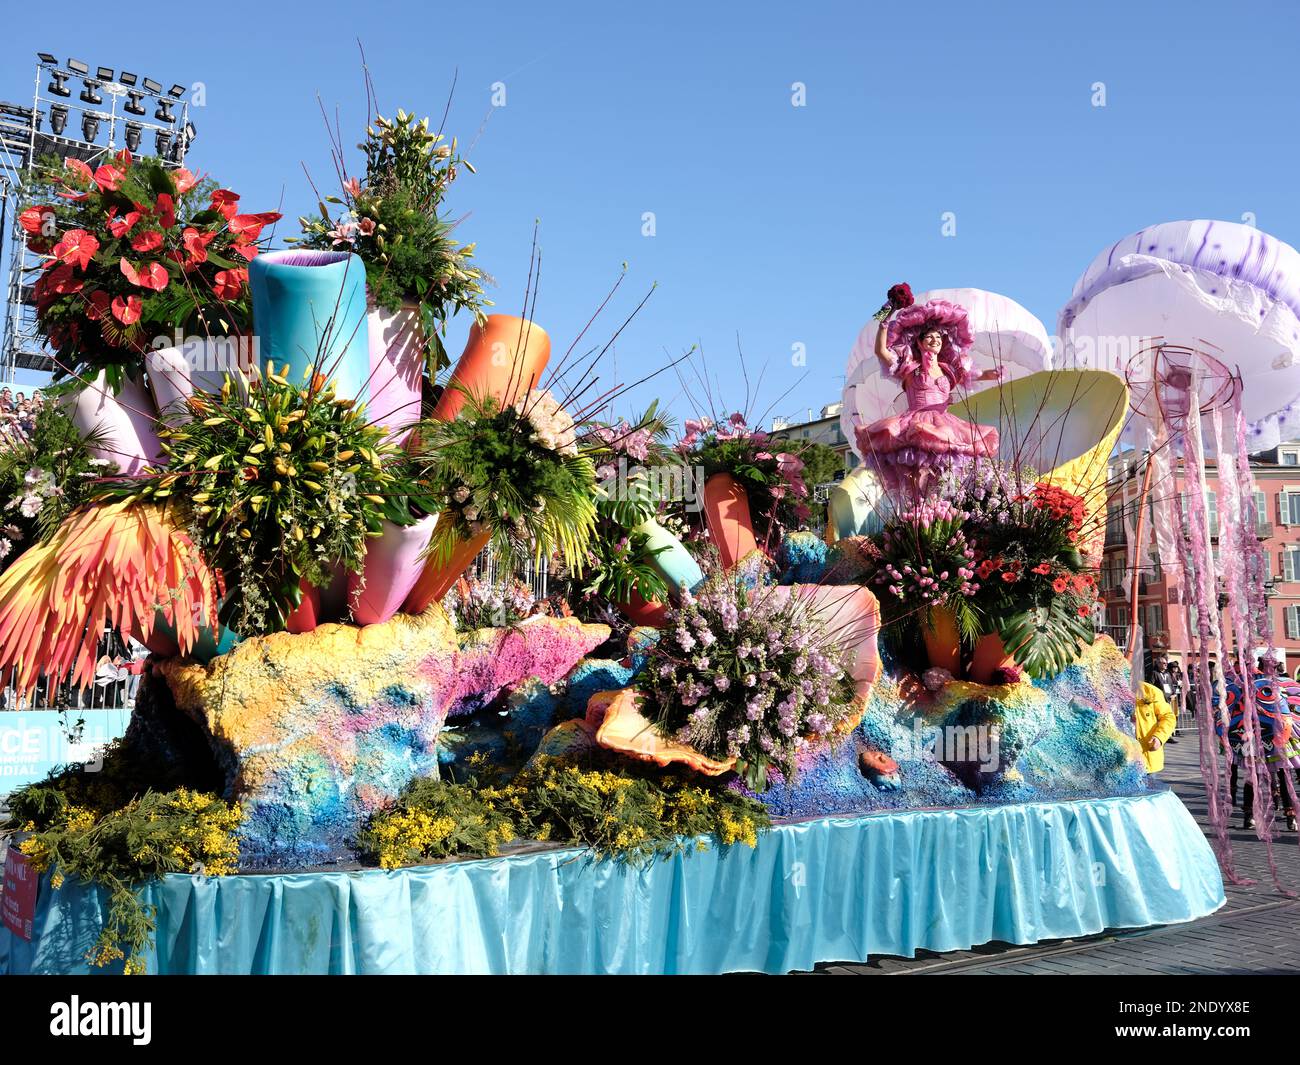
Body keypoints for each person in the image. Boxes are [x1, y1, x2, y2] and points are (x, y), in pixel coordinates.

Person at [860, 295, 1002, 505]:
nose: (935, 340)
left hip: (944, 425)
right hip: (916, 425)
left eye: (939, 337)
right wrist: (887, 312)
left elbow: (974, 375)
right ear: (919, 341)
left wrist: (994, 373)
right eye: (929, 337)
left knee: (943, 475)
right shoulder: (909, 367)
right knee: (918, 474)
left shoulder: (949, 370)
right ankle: (917, 515)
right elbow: (880, 351)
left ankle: (938, 513)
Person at [1135, 681, 1177, 773]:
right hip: (1113, 762)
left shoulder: (1150, 691)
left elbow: (1168, 717)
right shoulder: (1103, 691)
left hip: (1144, 759)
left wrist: (1159, 737)